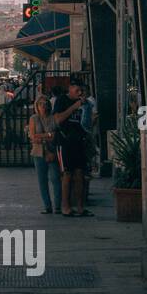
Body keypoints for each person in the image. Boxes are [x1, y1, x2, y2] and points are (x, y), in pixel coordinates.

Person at [54, 84, 91, 217]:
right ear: (69, 89)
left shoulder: (86, 103)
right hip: (65, 142)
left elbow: (87, 123)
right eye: (77, 90)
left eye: (81, 91)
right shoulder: (62, 100)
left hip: (79, 141)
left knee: (80, 173)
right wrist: (74, 107)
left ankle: (80, 207)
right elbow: (58, 119)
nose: (80, 93)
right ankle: (65, 207)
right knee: (67, 174)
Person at [28, 97, 62, 214]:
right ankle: (47, 206)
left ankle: (58, 206)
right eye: (41, 104)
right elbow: (33, 136)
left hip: (52, 152)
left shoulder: (53, 118)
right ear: (37, 106)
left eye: (45, 103)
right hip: (38, 152)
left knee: (55, 178)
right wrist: (47, 135)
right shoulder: (34, 118)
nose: (43, 106)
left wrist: (41, 136)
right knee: (42, 180)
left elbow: (55, 135)